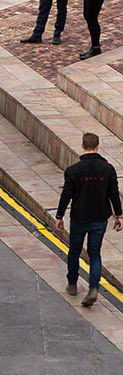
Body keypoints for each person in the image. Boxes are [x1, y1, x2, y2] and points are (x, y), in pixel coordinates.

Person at [55, 132, 123, 308]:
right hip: (99, 219)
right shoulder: (108, 169)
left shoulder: (73, 171)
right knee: (94, 254)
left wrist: (59, 216)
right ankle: (93, 287)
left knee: (74, 251)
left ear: (82, 146)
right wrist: (119, 215)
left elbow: (66, 195)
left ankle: (72, 284)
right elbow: (114, 194)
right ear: (98, 146)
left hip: (79, 217)